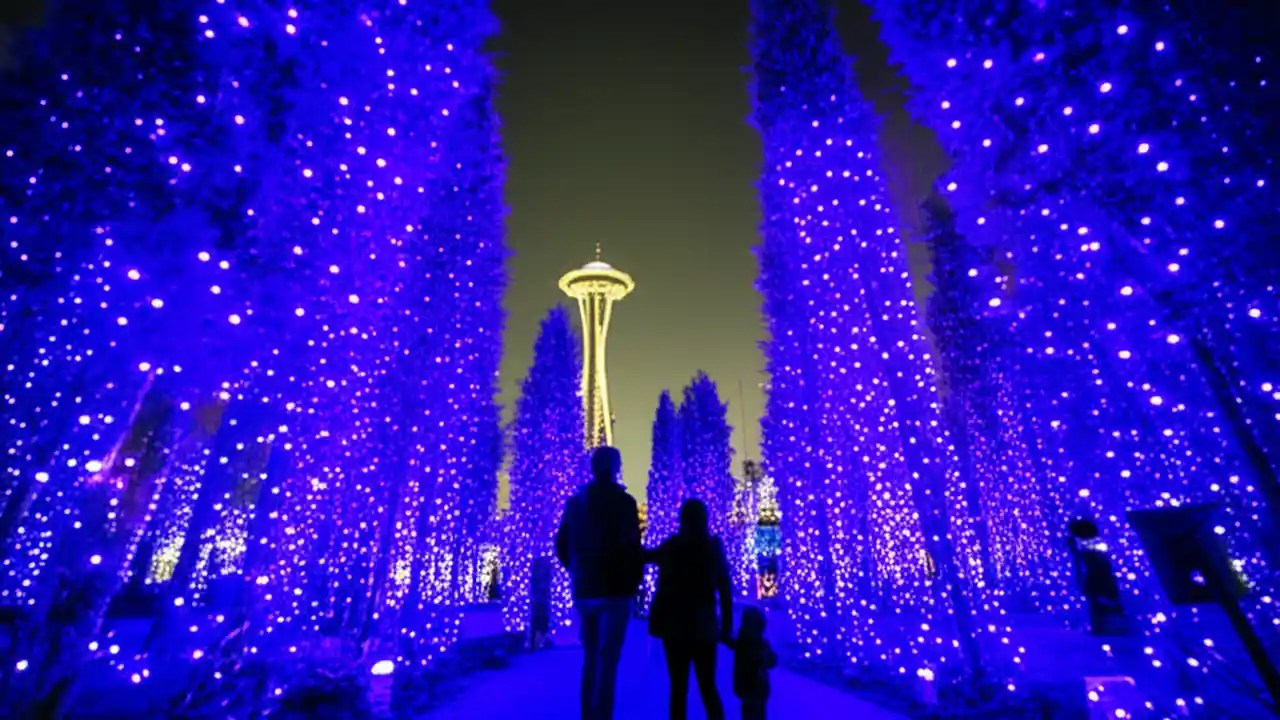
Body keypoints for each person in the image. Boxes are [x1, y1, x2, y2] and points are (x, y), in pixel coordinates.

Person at [554, 446, 643, 720]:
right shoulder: (624, 502)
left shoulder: (574, 503)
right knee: (608, 660)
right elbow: (632, 547)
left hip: (585, 590)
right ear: (615, 468)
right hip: (616, 591)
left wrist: (578, 569)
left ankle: (587, 715)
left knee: (590, 657)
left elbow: (560, 544)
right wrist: (633, 584)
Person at [646, 498, 733, 720]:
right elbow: (724, 589)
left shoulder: (672, 546)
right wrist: (726, 626)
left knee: (678, 687)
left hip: (674, 626)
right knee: (708, 686)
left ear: (681, 519)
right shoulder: (713, 548)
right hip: (704, 626)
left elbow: (645, 557)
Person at [725, 606, 777, 720]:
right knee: (751, 714)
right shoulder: (744, 644)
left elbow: (772, 662)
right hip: (749, 690)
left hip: (757, 691)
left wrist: (769, 658)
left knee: (756, 714)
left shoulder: (759, 644)